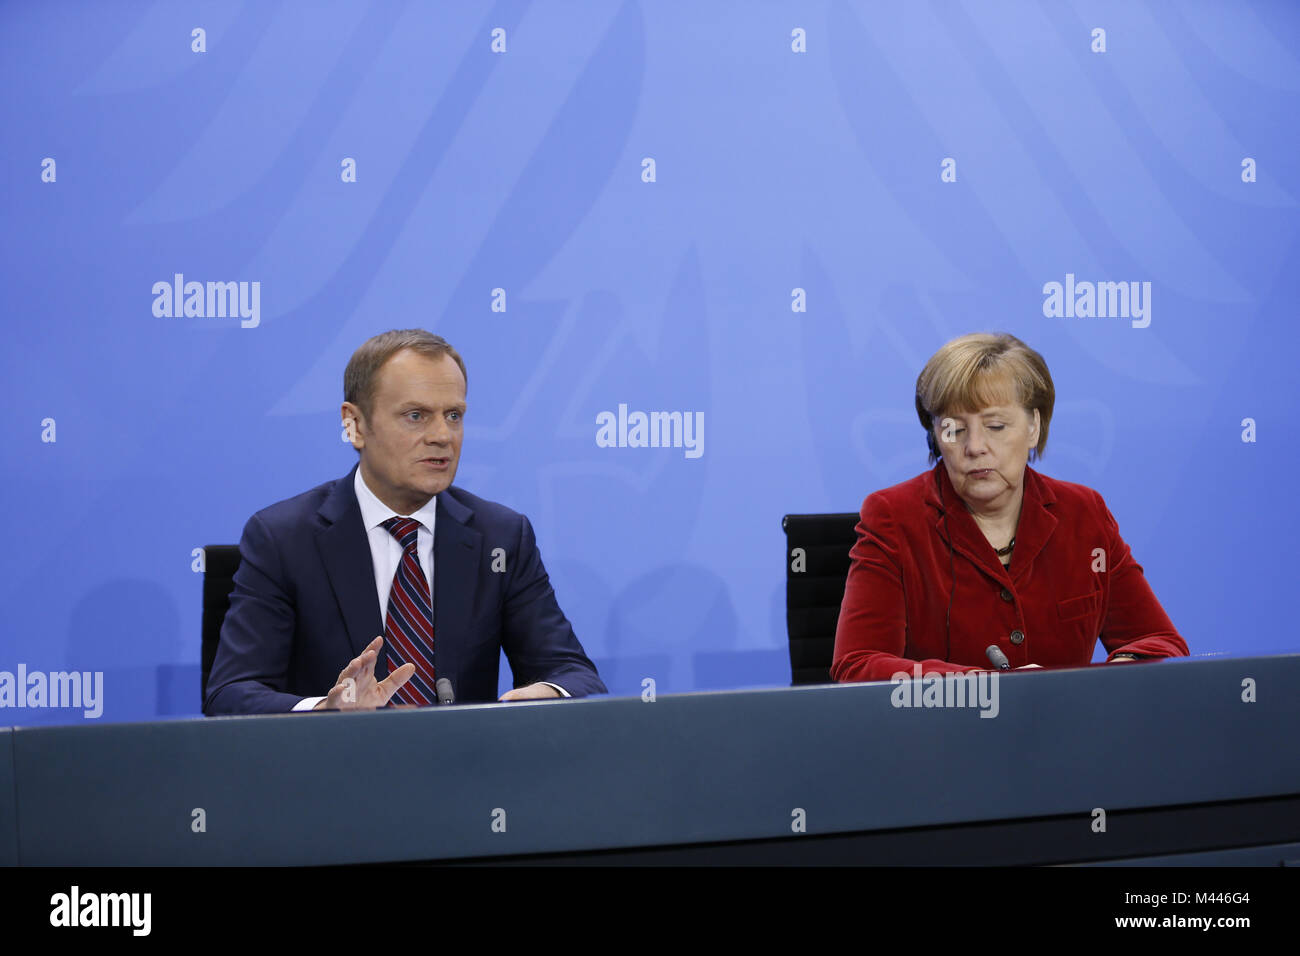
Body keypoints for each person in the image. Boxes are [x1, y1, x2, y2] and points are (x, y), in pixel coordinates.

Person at [204, 329, 606, 714]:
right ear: (355, 425)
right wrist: (325, 710)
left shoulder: (500, 537)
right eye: (416, 416)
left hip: (463, 775)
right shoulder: (283, 539)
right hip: (333, 775)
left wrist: (547, 693)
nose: (442, 436)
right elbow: (231, 693)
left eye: (454, 415)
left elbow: (574, 674)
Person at [831, 332, 1188, 682]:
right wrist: (987, 685)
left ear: (1034, 427)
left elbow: (1161, 644)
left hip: (1062, 735)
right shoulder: (892, 518)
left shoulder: (1084, 514)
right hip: (942, 734)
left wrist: (1108, 676)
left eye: (996, 425)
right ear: (935, 437)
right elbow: (858, 664)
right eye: (954, 429)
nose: (975, 446)